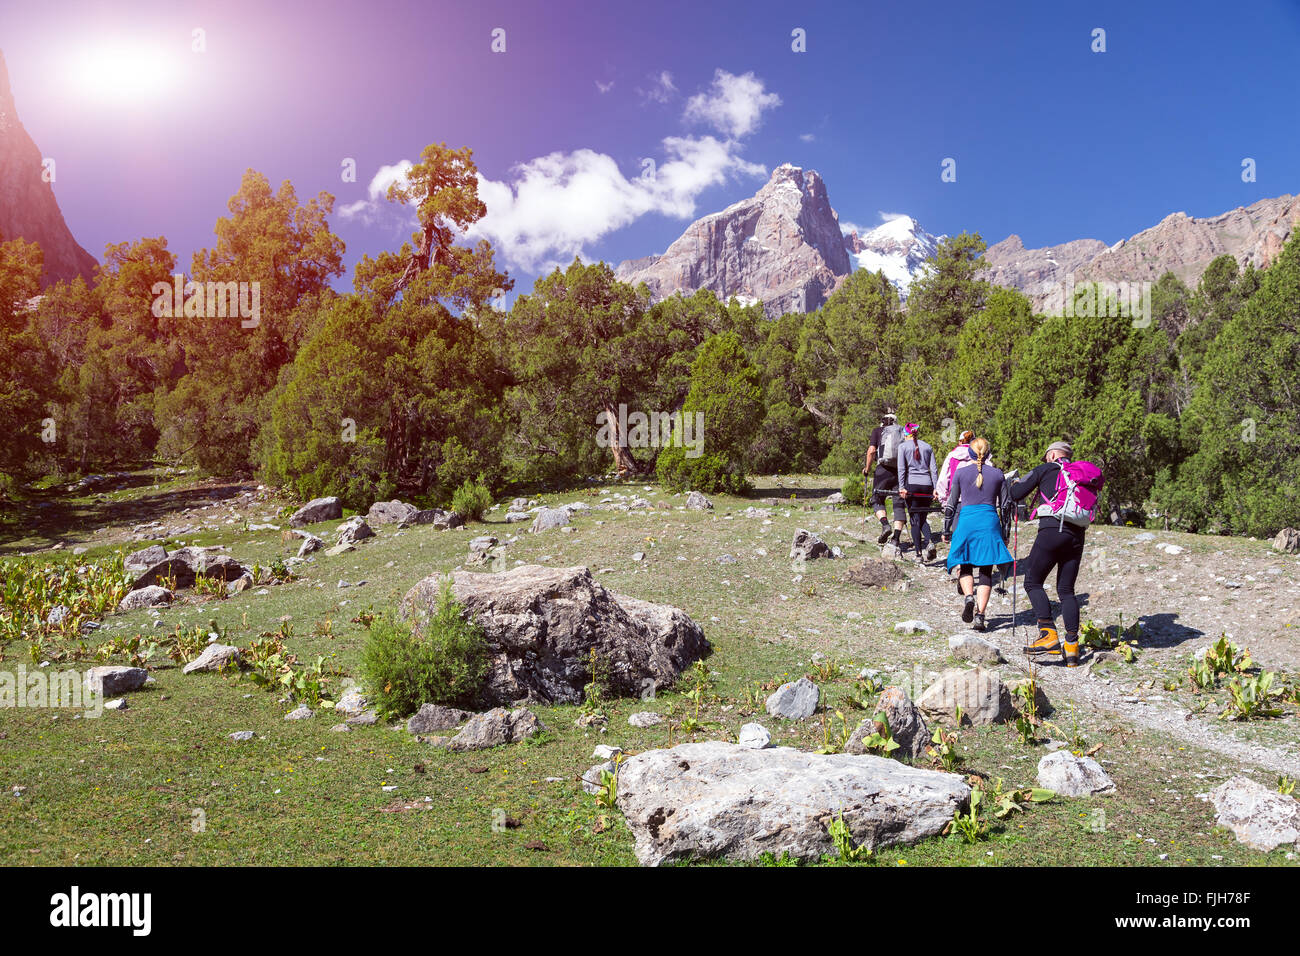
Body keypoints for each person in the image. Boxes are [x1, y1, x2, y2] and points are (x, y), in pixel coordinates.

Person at [1010, 440, 1085, 667]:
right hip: (1077, 534)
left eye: (1046, 457)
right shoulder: (1079, 474)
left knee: (1032, 582)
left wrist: (1013, 482)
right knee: (1066, 590)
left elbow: (1016, 493)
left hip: (1052, 529)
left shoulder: (1047, 469)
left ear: (1052, 455)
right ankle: (1071, 647)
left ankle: (1048, 634)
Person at [944, 437, 1013, 631]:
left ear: (969, 453)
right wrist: (1005, 532)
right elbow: (1005, 507)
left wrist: (946, 528)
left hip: (966, 521)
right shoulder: (998, 474)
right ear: (988, 453)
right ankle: (980, 616)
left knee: (965, 564)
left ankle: (968, 597)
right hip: (989, 522)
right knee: (985, 570)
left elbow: (951, 504)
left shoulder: (960, 473)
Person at [862, 413, 906, 545]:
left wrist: (867, 469)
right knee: (899, 503)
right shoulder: (902, 431)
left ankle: (885, 525)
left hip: (883, 470)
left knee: (877, 498)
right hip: (899, 471)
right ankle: (896, 538)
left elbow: (871, 451)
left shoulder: (878, 431)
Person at [897, 422, 938, 563]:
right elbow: (934, 469)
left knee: (914, 520)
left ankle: (919, 554)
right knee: (922, 518)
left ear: (905, 434)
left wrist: (902, 487)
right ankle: (929, 540)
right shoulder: (928, 446)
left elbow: (901, 469)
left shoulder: (902, 447)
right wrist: (935, 487)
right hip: (927, 485)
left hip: (912, 485)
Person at [936, 430, 975, 542]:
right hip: (977, 501)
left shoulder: (952, 455)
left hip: (957, 500)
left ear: (959, 442)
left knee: (958, 537)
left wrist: (944, 502)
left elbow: (943, 479)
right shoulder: (979, 455)